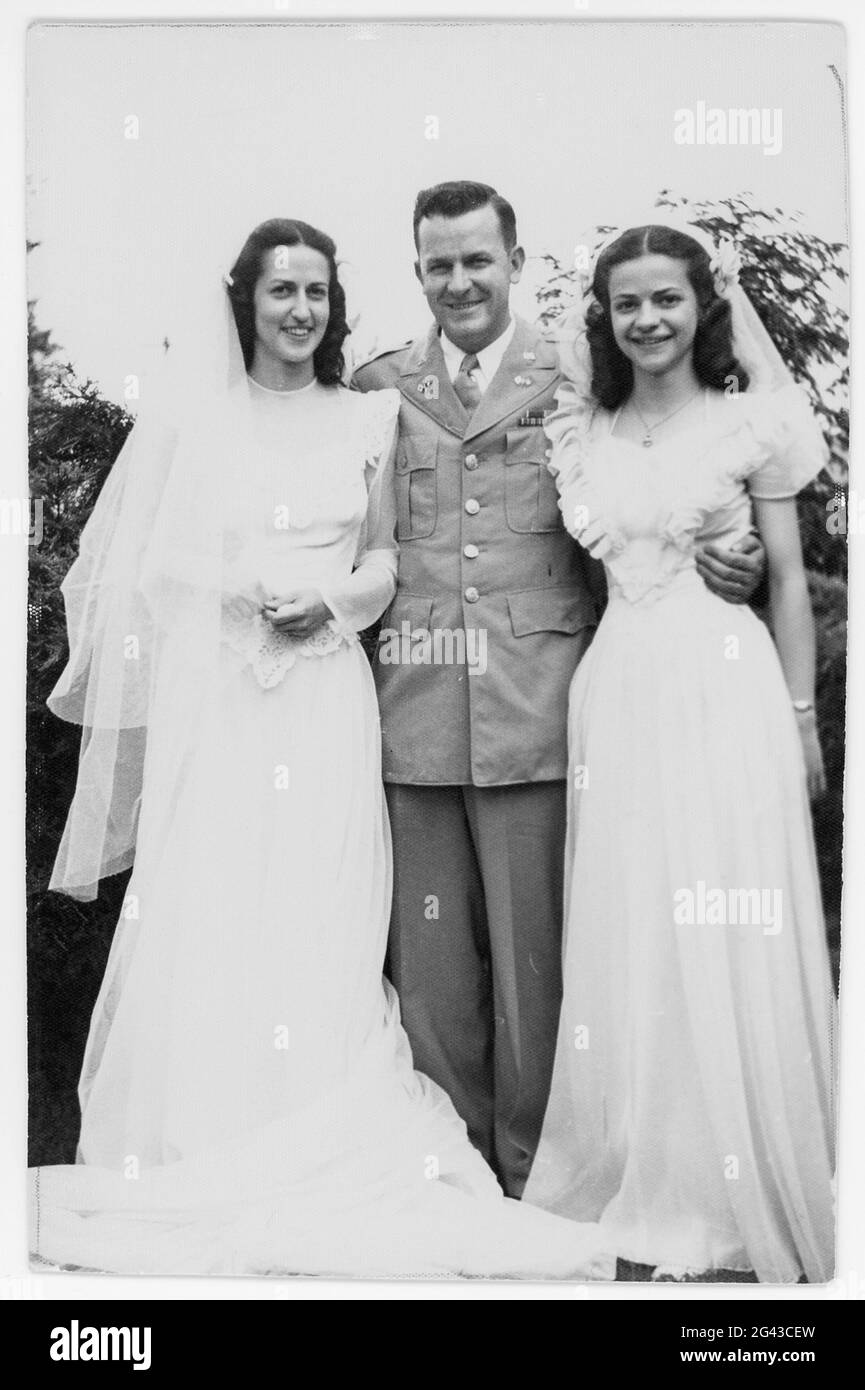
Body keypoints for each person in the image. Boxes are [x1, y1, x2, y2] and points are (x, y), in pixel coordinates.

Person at [28, 216, 615, 1279]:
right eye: (278, 291)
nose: (298, 310)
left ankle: (322, 1110)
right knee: (215, 907)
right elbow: (148, 567)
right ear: (244, 301)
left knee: (323, 910)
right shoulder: (200, 423)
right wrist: (245, 588)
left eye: (313, 291)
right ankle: (209, 1137)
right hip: (228, 707)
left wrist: (334, 596)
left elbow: (385, 559)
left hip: (325, 696)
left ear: (331, 304)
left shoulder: (369, 414)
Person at [353, 182, 766, 1197]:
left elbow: (652, 496)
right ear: (417, 274)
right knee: (434, 973)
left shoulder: (578, 381)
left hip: (540, 705)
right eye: (438, 264)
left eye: (477, 260)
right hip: (410, 711)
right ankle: (451, 1177)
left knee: (539, 973)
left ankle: (535, 1175)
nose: (458, 281)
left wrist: (736, 554)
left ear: (516, 261)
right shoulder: (379, 385)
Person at [521, 214, 837, 1283]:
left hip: (723, 687)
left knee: (724, 910)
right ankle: (638, 1167)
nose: (647, 318)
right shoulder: (586, 431)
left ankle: (730, 1180)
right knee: (633, 921)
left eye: (666, 297)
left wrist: (800, 720)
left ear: (703, 305)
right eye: (626, 303)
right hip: (617, 690)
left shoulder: (751, 425)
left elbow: (787, 579)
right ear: (603, 321)